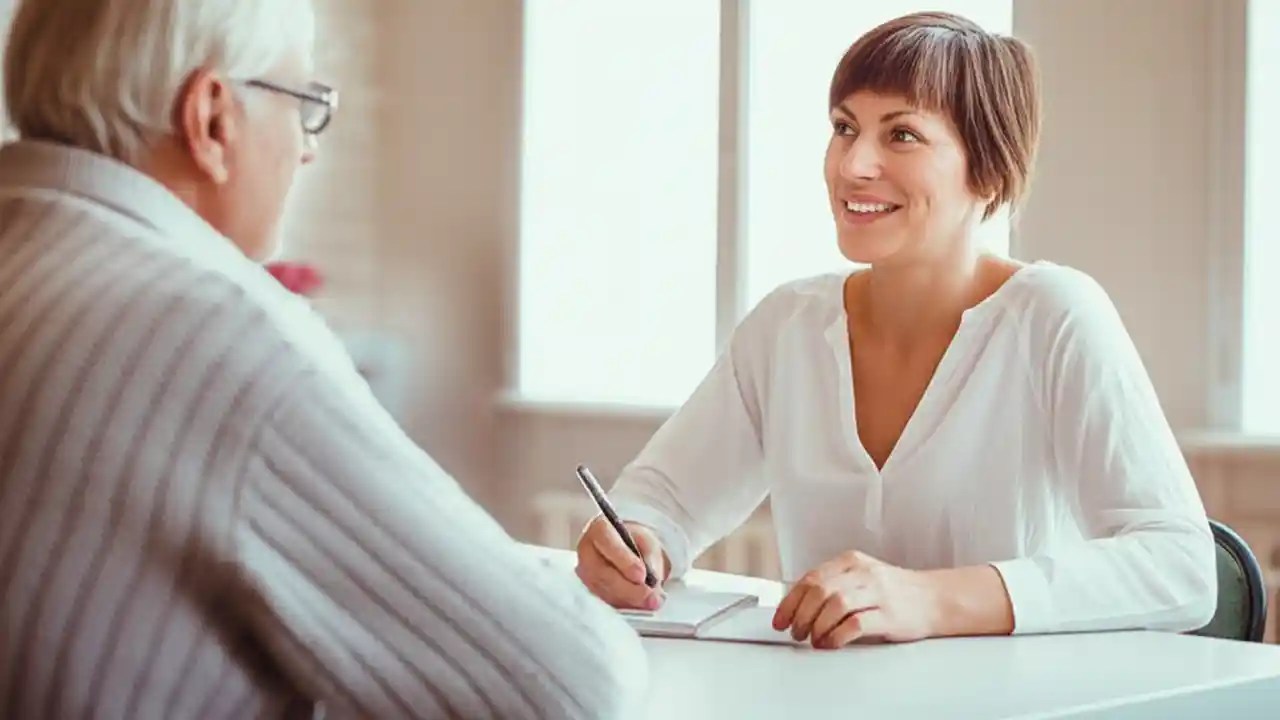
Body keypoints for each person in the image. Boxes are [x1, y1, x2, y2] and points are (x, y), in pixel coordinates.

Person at [0, 1, 646, 717]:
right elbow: (568, 686)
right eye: (303, 103)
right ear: (212, 120)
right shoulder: (219, 333)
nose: (308, 149)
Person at [576, 11, 1217, 649]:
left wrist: (928, 598)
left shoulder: (1054, 316)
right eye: (844, 128)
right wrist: (636, 540)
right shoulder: (786, 328)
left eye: (902, 135)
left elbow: (1180, 567)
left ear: (988, 169)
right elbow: (662, 502)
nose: (854, 164)